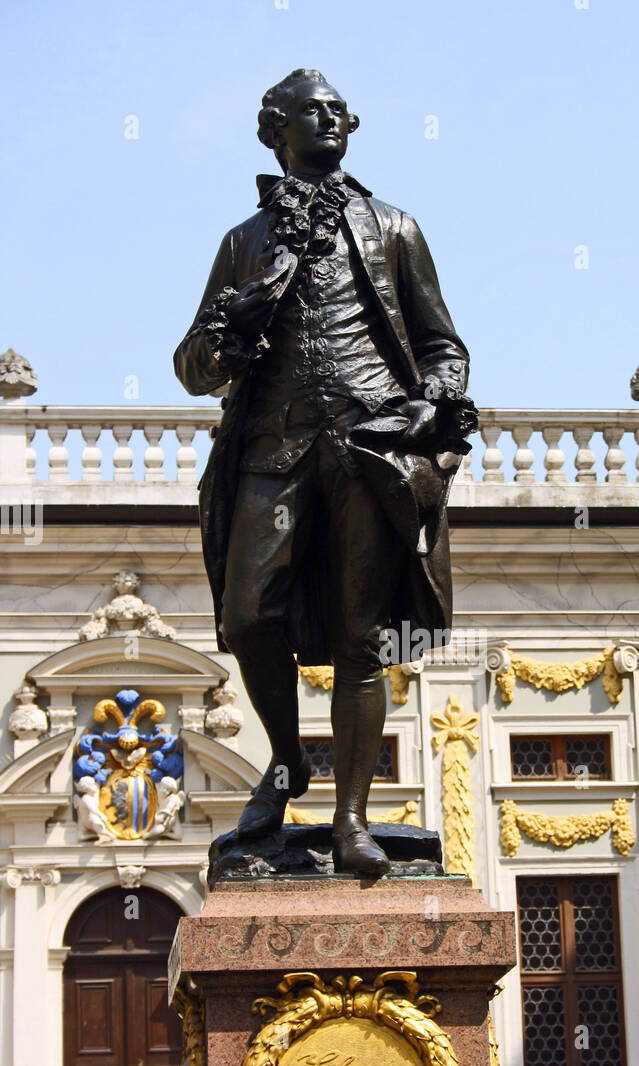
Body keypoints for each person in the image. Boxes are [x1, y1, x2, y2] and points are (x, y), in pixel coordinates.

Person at [174, 69, 475, 876]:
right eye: (314, 108)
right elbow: (191, 367)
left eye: (340, 109)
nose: (334, 117)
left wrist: (435, 400)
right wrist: (223, 342)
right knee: (245, 618)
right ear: (276, 126)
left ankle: (350, 820)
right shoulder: (244, 241)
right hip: (272, 450)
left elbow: (443, 343)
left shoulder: (395, 227)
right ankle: (285, 761)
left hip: (368, 447)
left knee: (360, 638)